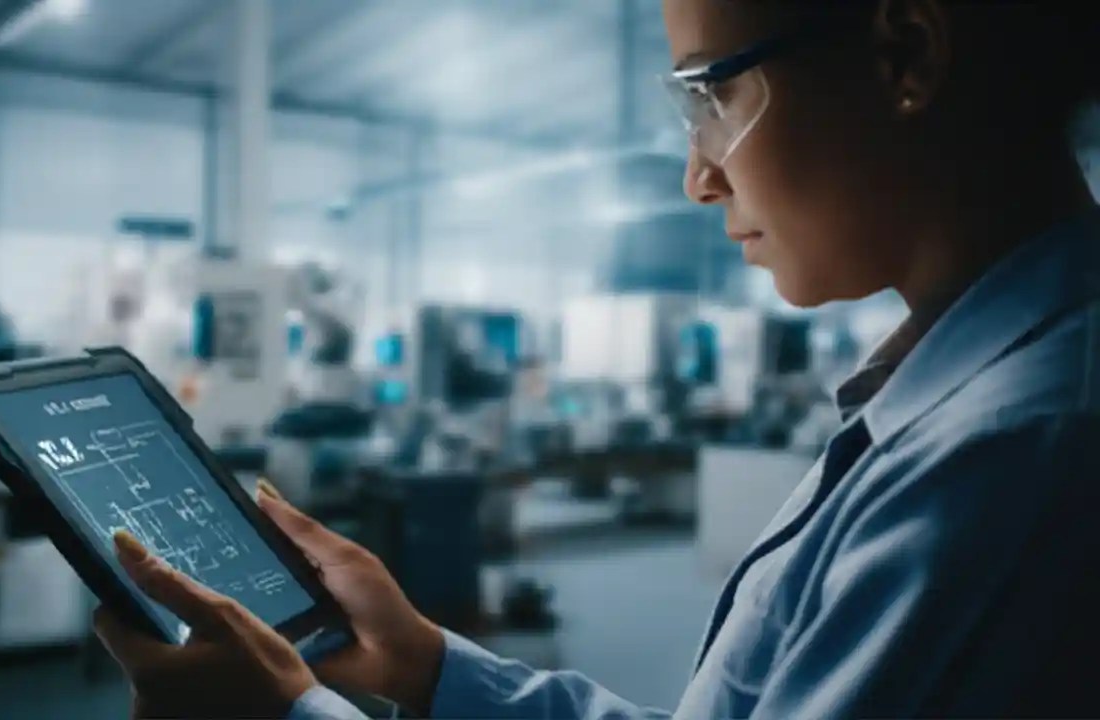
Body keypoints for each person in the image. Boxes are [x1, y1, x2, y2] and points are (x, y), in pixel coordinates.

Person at [92, 0, 1100, 717]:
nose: (696, 175)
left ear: (903, 55)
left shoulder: (1011, 461)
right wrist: (429, 665)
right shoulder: (955, 415)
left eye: (711, 92)